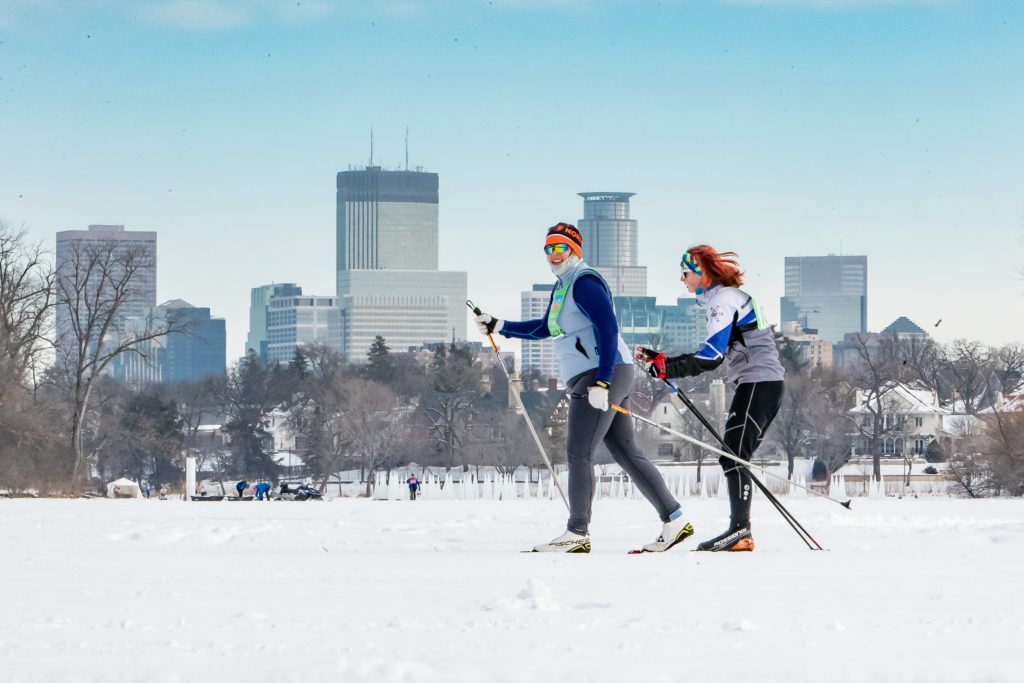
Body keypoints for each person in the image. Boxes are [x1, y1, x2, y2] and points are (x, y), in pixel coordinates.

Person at [473, 222, 691, 553]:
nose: (554, 255)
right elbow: (545, 327)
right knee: (626, 452)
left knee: (578, 451)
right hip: (606, 373)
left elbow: (607, 327)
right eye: (548, 249)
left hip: (602, 373)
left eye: (561, 248)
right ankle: (674, 519)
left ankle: (577, 531)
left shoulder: (585, 282)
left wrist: (602, 380)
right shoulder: (563, 287)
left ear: (575, 251)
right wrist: (499, 325)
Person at [636, 245, 785, 552]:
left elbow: (711, 356)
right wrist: (664, 360)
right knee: (732, 455)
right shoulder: (723, 298)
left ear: (702, 273)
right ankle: (741, 531)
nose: (682, 280)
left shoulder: (722, 300)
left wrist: (668, 366)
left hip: (761, 382)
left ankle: (741, 531)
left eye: (686, 273)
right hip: (757, 383)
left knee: (733, 455)